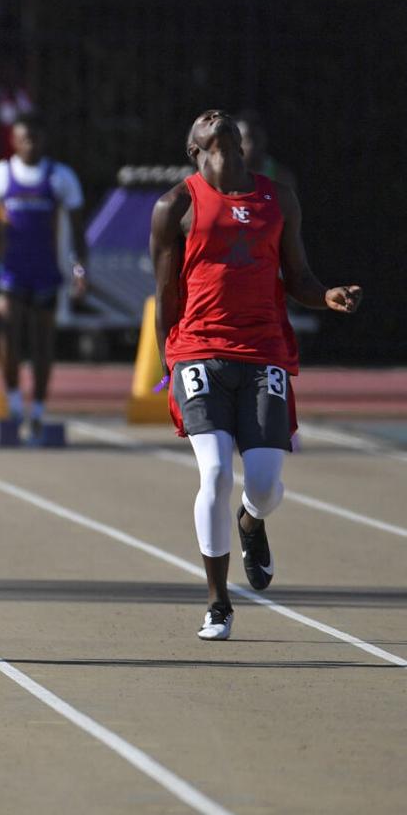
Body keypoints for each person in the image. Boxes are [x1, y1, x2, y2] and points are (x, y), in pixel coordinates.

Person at [150, 110, 361, 642]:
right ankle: (218, 601)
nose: (215, 118)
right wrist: (167, 362)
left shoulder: (278, 197)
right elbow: (165, 295)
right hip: (198, 351)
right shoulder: (174, 205)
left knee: (264, 485)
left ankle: (251, 521)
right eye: (206, 124)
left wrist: (326, 295)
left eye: (223, 123)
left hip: (264, 350)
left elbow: (300, 277)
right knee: (217, 471)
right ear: (196, 152)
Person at [0, 114, 88, 440]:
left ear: (43, 139)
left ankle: (37, 408)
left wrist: (79, 272)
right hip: (9, 274)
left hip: (46, 273)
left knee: (42, 344)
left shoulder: (61, 177)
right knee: (9, 336)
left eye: (35, 138)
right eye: (23, 138)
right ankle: (13, 402)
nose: (29, 144)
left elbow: (78, 231)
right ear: (14, 139)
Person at [234, 110, 298, 193]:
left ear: (264, 138)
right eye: (246, 140)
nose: (251, 146)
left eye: (255, 139)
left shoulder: (282, 178)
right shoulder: (223, 178)